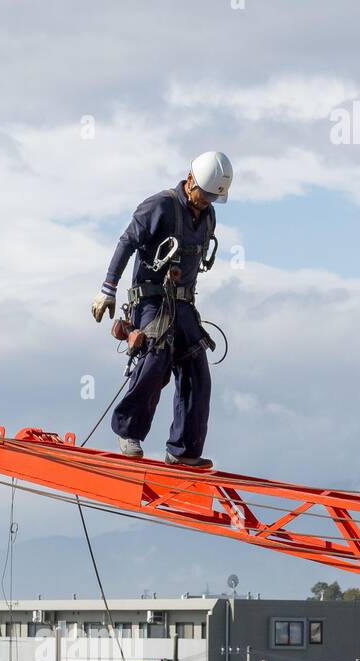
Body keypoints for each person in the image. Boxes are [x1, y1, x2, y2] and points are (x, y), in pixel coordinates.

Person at [91, 151, 233, 467]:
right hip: (151, 301)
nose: (205, 202)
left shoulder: (208, 214)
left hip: (182, 304)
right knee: (156, 356)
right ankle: (128, 431)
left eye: (213, 197)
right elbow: (127, 242)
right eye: (203, 194)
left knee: (197, 374)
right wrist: (107, 290)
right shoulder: (160, 206)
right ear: (190, 180)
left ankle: (183, 452)